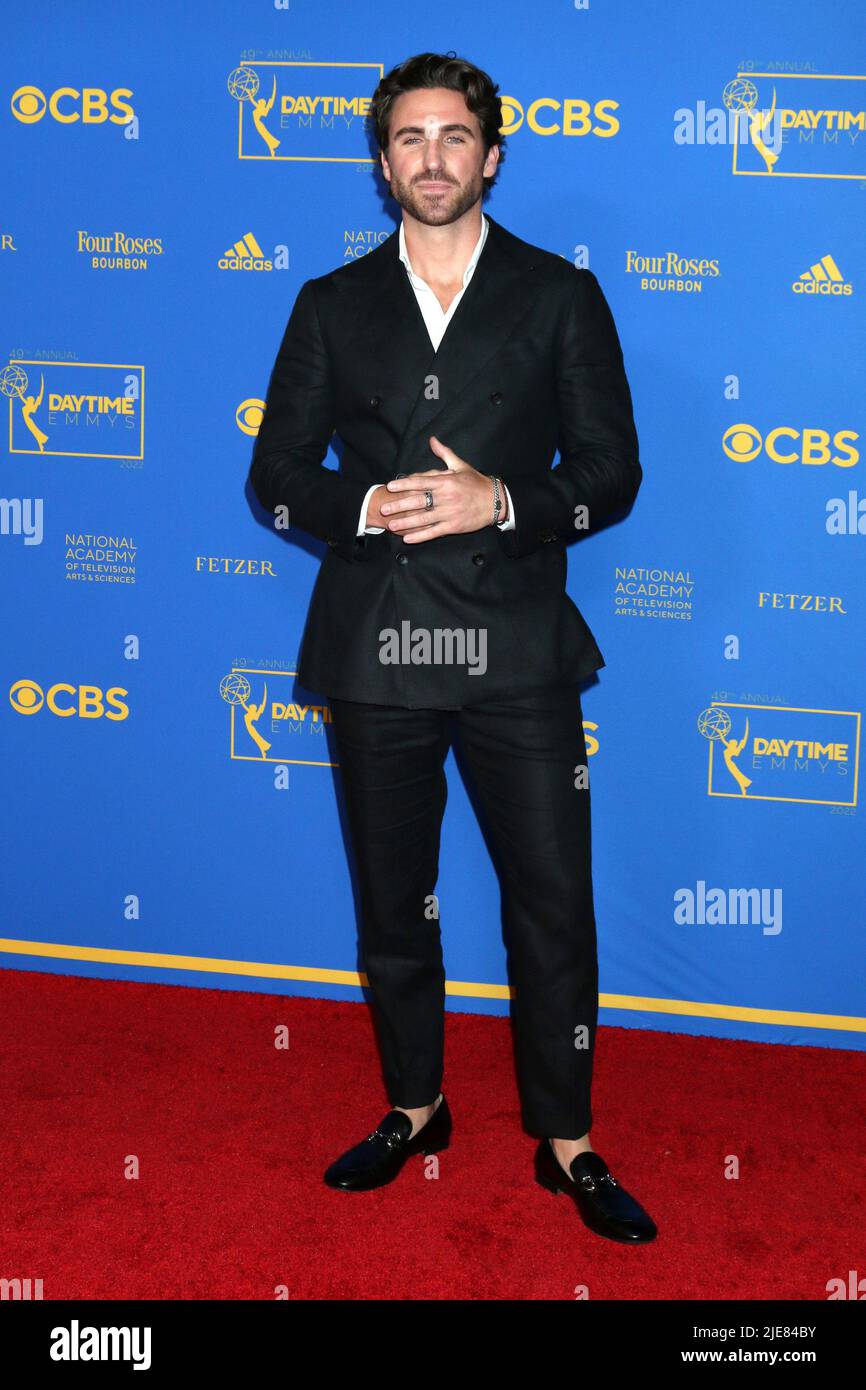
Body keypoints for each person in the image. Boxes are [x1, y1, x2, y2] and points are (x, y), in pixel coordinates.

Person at [249, 51, 656, 1243]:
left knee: (552, 901)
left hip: (516, 647)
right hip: (377, 648)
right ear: (382, 163)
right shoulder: (330, 303)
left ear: (491, 153)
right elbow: (272, 479)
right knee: (394, 901)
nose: (431, 158)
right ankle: (413, 1106)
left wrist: (503, 504)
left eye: (453, 136)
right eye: (409, 138)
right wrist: (366, 507)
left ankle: (566, 1140)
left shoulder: (556, 296)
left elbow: (613, 475)